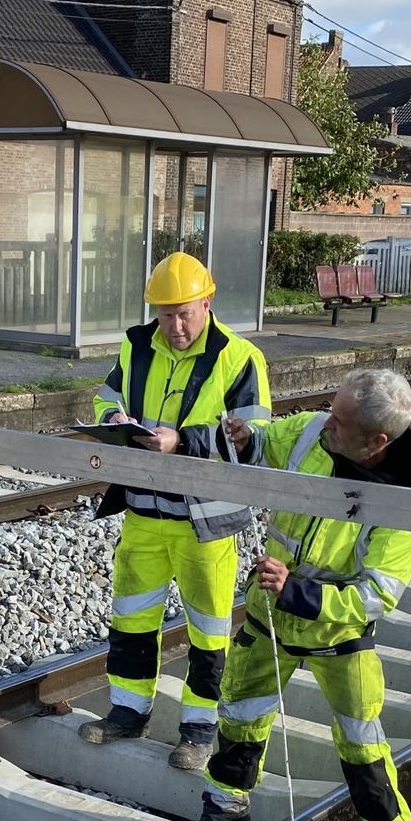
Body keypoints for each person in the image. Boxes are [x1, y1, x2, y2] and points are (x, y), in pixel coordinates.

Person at [175, 369, 411, 821]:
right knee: (241, 712)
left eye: (339, 420)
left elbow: (375, 598)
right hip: (272, 617)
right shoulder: (318, 430)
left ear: (377, 442)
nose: (325, 423)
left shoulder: (403, 507)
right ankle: (226, 810)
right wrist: (248, 438)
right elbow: (275, 439)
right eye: (330, 410)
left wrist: (299, 593)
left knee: (362, 743)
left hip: (338, 636)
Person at [81, 251, 272, 771]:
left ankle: (198, 729)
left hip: (205, 522)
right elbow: (104, 397)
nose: (175, 325)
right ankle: (127, 711)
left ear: (207, 302)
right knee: (132, 617)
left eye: (184, 312)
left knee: (209, 630)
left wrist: (183, 440)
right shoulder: (137, 345)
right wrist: (114, 418)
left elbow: (255, 442)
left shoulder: (240, 357)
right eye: (165, 314)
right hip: (143, 510)